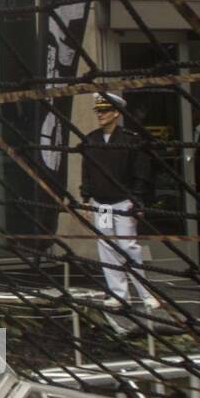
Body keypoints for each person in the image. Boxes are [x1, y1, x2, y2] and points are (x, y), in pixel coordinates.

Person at [79, 91, 160, 327]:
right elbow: (87, 171)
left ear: (116, 113)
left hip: (123, 201)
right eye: (98, 111)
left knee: (128, 246)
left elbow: (140, 172)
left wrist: (137, 199)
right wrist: (86, 197)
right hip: (102, 202)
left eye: (105, 111)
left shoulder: (130, 140)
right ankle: (118, 294)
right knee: (106, 245)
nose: (100, 115)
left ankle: (145, 293)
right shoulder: (90, 140)